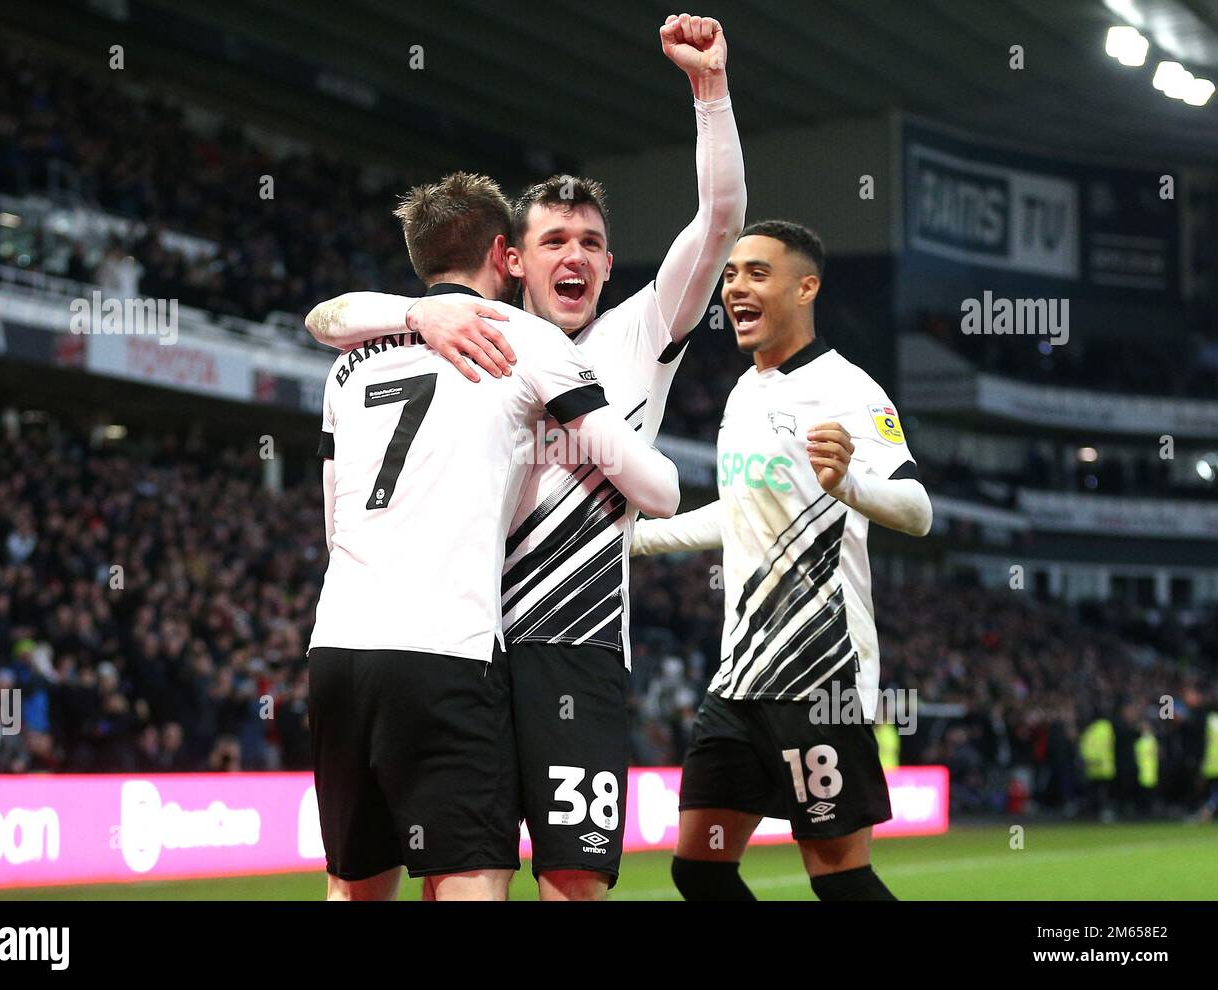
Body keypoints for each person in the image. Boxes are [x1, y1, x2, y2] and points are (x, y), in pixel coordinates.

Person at [304, 12, 745, 899]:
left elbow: (722, 216)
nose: (573, 255)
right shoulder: (470, 340)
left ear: (612, 263)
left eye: (589, 242)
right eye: (554, 241)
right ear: (515, 260)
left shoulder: (638, 333)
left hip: (572, 646)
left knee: (572, 885)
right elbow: (330, 320)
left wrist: (710, 93)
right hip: (466, 646)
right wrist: (421, 310)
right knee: (454, 872)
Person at [306, 171, 680, 902]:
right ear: (506, 254)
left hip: (336, 649)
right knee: (470, 879)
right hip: (445, 652)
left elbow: (331, 519)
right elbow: (658, 490)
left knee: (353, 889)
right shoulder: (526, 340)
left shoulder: (347, 366)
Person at [631, 221, 932, 901]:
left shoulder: (848, 389)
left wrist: (850, 486)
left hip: (819, 673)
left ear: (806, 287)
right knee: (699, 869)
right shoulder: (743, 394)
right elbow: (737, 514)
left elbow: (918, 511)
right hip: (740, 678)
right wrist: (634, 542)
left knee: (838, 877)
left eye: (756, 273)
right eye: (731, 273)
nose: (735, 285)